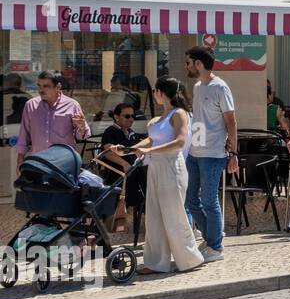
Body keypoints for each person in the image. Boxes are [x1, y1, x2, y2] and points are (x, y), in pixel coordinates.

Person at [113, 77, 204, 275]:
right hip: (155, 167)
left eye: (155, 91)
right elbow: (150, 140)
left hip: (172, 166)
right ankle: (156, 263)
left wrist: (150, 151)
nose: (154, 94)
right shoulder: (158, 119)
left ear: (161, 92)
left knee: (174, 215)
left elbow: (179, 142)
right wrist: (129, 149)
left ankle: (189, 259)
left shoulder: (179, 114)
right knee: (154, 216)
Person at [184, 47, 237, 263]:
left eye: (188, 62)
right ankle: (211, 237)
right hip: (195, 152)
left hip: (213, 154)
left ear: (198, 63)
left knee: (209, 200)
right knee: (191, 200)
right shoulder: (197, 87)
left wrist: (233, 152)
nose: (186, 66)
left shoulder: (220, 87)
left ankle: (215, 246)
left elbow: (231, 121)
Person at [16, 71, 88, 164]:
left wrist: (82, 128)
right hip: (39, 162)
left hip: (64, 163)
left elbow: (80, 136)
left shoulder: (72, 105)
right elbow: (23, 134)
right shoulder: (31, 105)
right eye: (39, 86)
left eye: (46, 86)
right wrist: (20, 160)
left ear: (58, 87)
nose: (41, 90)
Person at [99, 102, 145, 233]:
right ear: (116, 117)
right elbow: (108, 152)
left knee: (133, 202)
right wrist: (124, 164)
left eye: (132, 116)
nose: (131, 119)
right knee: (114, 204)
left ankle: (129, 231)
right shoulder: (110, 131)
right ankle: (109, 233)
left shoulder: (132, 133)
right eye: (127, 116)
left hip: (131, 176)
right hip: (116, 175)